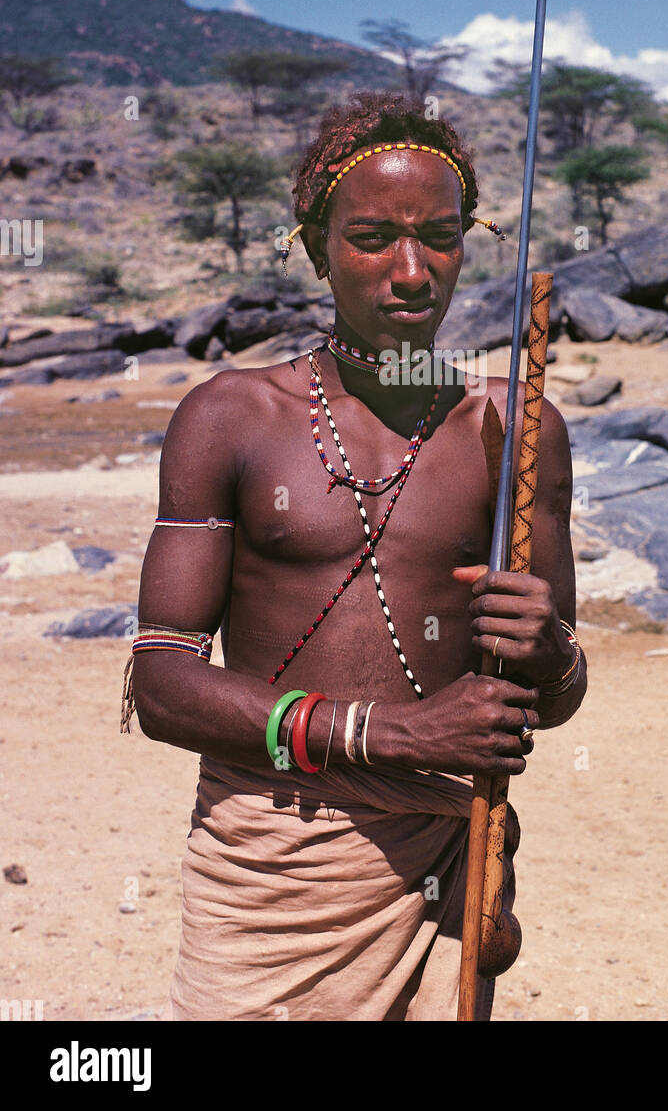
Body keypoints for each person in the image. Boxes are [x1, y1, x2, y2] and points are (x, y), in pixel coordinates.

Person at [124, 91, 587, 1021]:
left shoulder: (515, 428)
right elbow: (163, 683)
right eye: (372, 237)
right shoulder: (230, 417)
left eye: (440, 237)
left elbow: (555, 695)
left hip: (444, 856)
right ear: (314, 247)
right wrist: (386, 733)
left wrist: (550, 651)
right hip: (270, 861)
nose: (410, 272)